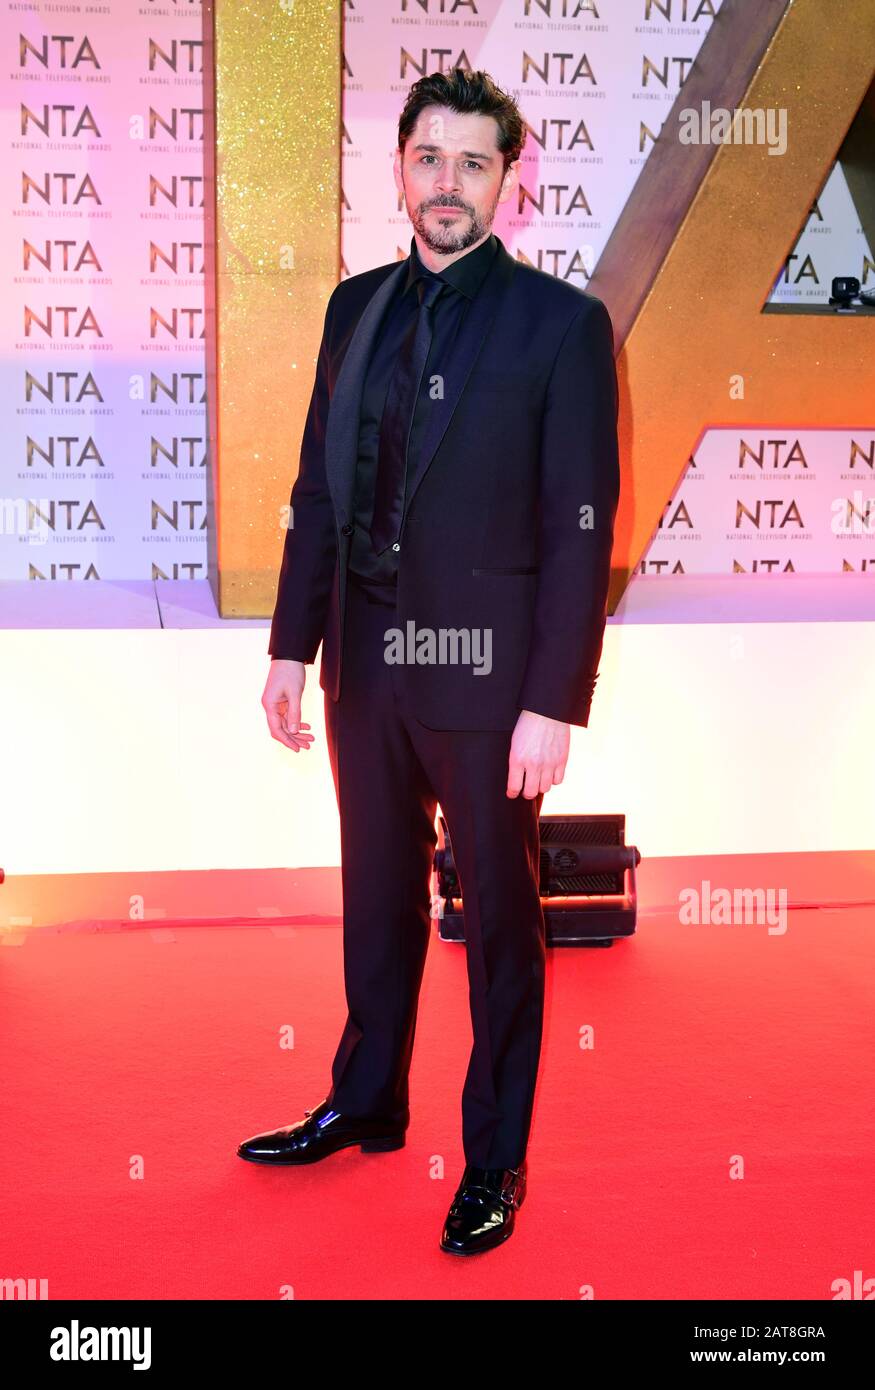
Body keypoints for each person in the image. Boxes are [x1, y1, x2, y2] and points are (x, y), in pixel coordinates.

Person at [237, 69, 620, 1257]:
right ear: (396, 166)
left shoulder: (558, 325)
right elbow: (316, 492)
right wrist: (290, 649)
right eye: (426, 160)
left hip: (489, 681)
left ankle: (494, 1160)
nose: (445, 185)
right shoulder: (351, 308)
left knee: (498, 918)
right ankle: (366, 1097)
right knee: (375, 896)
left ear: (506, 178)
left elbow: (578, 525)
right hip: (364, 658)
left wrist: (552, 701)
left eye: (471, 164)